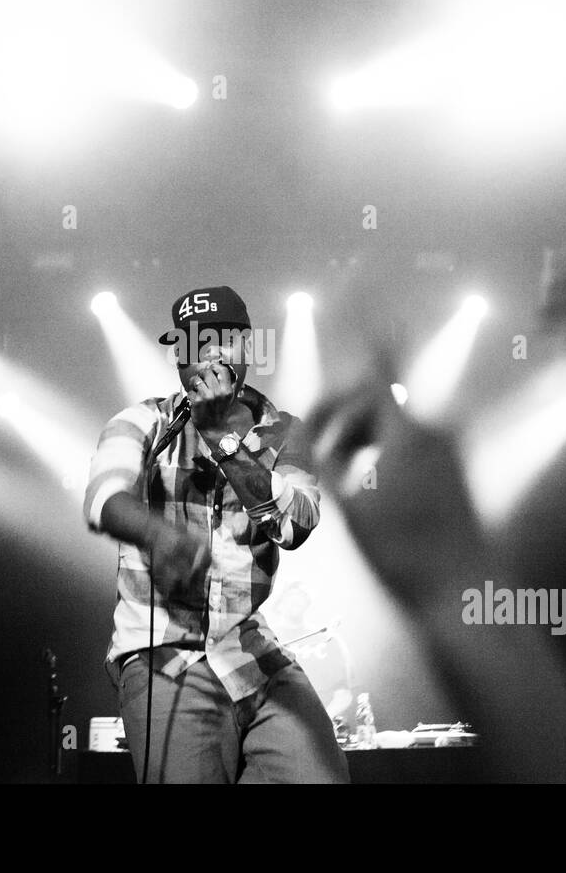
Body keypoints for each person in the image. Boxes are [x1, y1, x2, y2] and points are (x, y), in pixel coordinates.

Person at [82, 285, 349, 783]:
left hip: (252, 653)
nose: (202, 354)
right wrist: (158, 534)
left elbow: (295, 524)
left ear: (245, 346)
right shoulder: (143, 420)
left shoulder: (287, 434)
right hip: (164, 653)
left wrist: (220, 437)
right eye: (188, 344)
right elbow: (103, 498)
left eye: (217, 340)